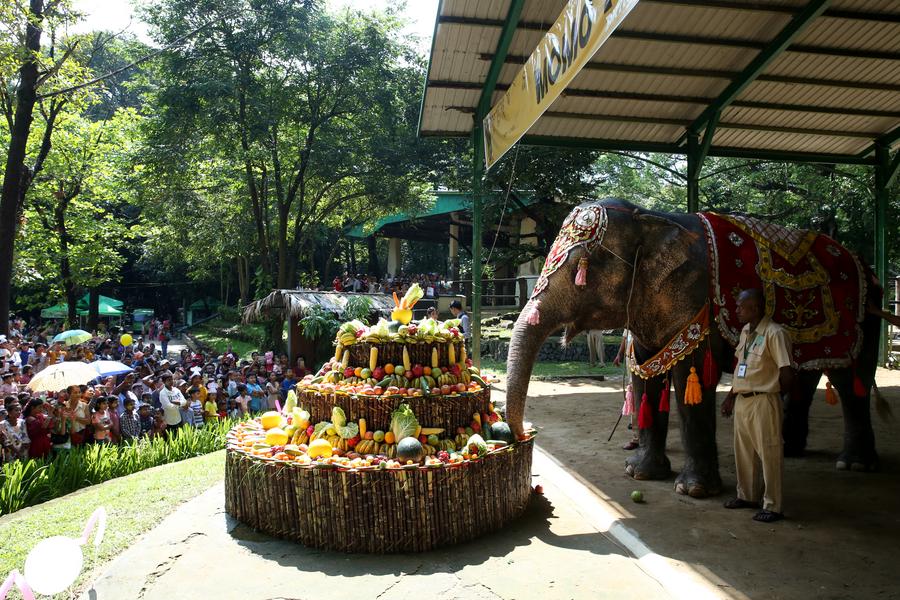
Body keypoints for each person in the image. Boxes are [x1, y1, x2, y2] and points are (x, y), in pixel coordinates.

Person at [721, 289, 794, 524]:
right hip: (743, 400)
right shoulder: (744, 332)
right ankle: (747, 496)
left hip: (764, 400)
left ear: (756, 308)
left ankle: (773, 505)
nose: (737, 310)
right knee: (744, 453)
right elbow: (742, 366)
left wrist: (775, 395)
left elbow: (786, 371)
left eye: (741, 306)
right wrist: (731, 397)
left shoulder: (776, 333)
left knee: (769, 453)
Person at [613, 330, 639, 451]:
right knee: (633, 399)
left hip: (641, 364)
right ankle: (636, 438)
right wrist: (619, 354)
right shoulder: (628, 324)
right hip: (630, 364)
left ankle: (642, 439)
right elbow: (625, 339)